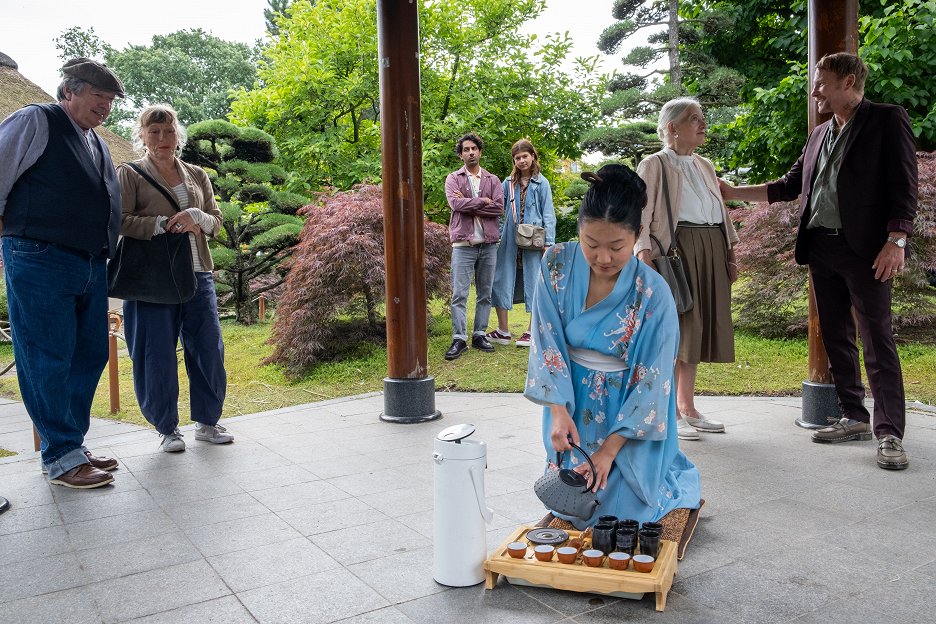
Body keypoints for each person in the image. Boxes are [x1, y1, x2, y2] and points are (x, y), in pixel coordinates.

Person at [720, 53, 917, 470]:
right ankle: (854, 416)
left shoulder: (886, 119)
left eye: (821, 83)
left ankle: (890, 434)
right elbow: (789, 187)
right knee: (836, 336)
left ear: (848, 81)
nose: (815, 92)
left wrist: (896, 241)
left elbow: (904, 185)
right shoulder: (819, 135)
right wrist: (731, 191)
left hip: (866, 250)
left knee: (877, 340)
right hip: (822, 249)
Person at [525, 164, 701, 529]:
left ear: (637, 235)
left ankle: (630, 467)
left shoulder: (653, 293)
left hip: (626, 410)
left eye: (617, 247)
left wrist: (609, 450)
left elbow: (653, 379)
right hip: (570, 396)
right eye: (591, 244)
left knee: (625, 512)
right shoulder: (555, 264)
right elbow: (547, 342)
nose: (603, 258)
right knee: (571, 498)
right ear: (578, 232)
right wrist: (558, 411)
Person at [0, 58, 125, 489]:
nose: (105, 105)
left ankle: (71, 443)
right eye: (98, 95)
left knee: (88, 354)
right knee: (47, 356)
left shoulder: (97, 142)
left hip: (89, 261)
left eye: (110, 100)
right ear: (69, 91)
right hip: (39, 255)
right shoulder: (36, 120)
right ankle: (60, 457)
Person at [117, 104, 231, 452]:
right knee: (156, 354)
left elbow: (216, 219)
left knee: (208, 348)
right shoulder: (131, 173)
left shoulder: (197, 174)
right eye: (154, 131)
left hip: (198, 273)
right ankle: (166, 427)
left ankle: (208, 422)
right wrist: (159, 224)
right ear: (142, 135)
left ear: (177, 134)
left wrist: (199, 216)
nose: (163, 138)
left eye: (168, 131)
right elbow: (118, 219)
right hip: (153, 278)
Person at [635, 98, 740, 442]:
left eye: (702, 118)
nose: (702, 124)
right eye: (694, 119)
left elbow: (719, 210)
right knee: (678, 330)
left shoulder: (704, 164)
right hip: (679, 250)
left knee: (696, 330)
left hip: (710, 246)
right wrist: (643, 252)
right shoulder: (653, 164)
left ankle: (688, 406)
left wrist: (729, 253)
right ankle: (669, 411)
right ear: (672, 128)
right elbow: (641, 213)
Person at [487, 139, 556, 348]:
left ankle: (530, 331)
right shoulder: (508, 182)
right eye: (517, 158)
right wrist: (498, 233)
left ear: (532, 156)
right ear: (514, 161)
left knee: (535, 282)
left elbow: (549, 214)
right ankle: (503, 330)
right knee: (500, 279)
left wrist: (548, 243)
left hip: (534, 240)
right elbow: (497, 209)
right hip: (510, 239)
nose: (521, 161)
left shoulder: (541, 183)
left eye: (525, 156)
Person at [444, 133, 504, 361]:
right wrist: (482, 201)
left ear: (480, 151)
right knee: (459, 294)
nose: (470, 152)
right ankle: (459, 339)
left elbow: (498, 208)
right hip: (463, 245)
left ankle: (479, 335)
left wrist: (470, 205)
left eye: (474, 149)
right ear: (461, 155)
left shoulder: (493, 180)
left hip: (488, 245)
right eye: (466, 149)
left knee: (485, 294)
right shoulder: (453, 179)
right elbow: (455, 203)